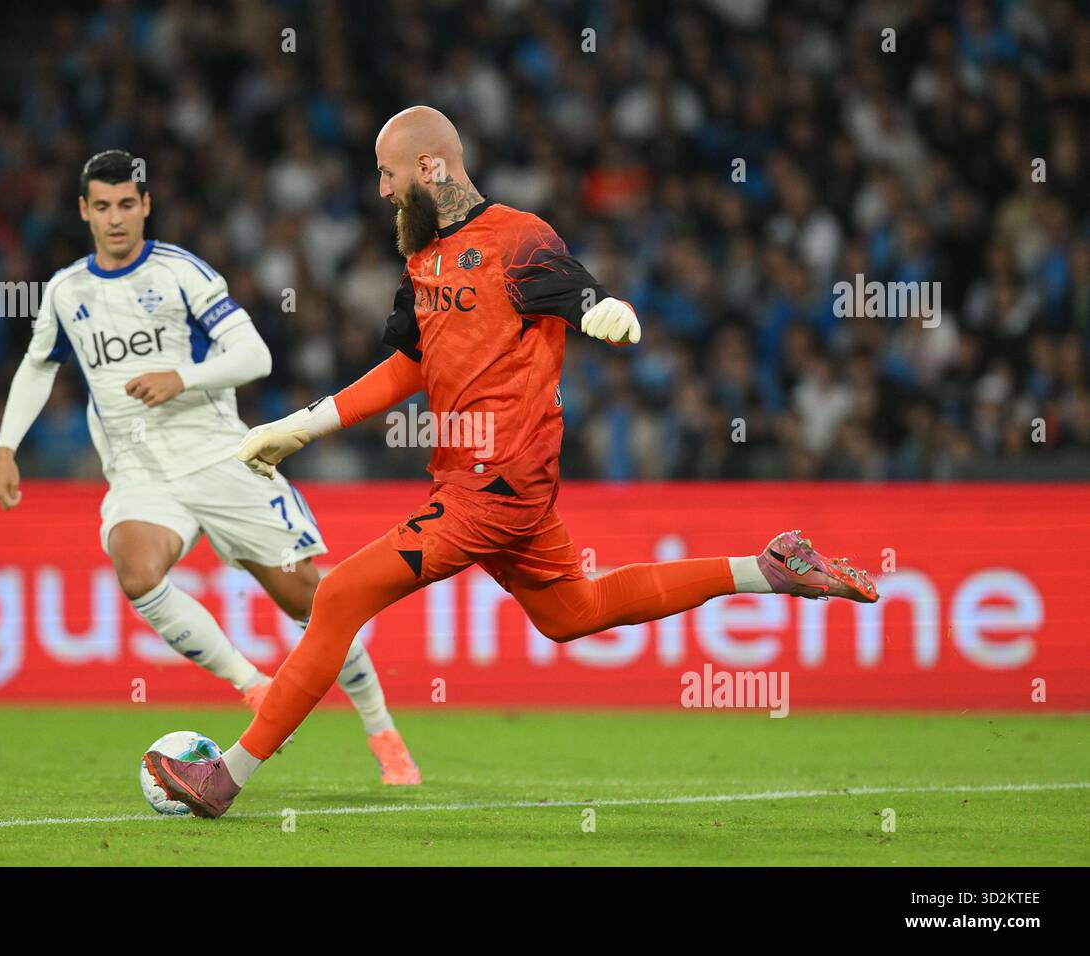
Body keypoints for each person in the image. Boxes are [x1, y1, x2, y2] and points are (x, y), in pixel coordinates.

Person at [142, 109, 877, 817]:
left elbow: (578, 291)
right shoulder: (424, 258)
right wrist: (300, 427)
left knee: (336, 599)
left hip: (496, 482)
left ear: (429, 167)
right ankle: (770, 567)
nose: (382, 190)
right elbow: (407, 366)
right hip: (481, 483)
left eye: (388, 173)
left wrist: (600, 311)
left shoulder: (519, 239)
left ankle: (224, 779)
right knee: (572, 612)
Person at [0, 149, 421, 785]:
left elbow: (254, 357)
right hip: (140, 472)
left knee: (313, 600)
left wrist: (181, 377)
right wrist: (5, 446)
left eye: (127, 205)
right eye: (102, 206)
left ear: (145, 206)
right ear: (84, 210)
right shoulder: (65, 291)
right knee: (137, 571)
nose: (115, 218)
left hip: (222, 456)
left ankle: (382, 729)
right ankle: (253, 685)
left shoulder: (183, 275)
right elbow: (37, 365)